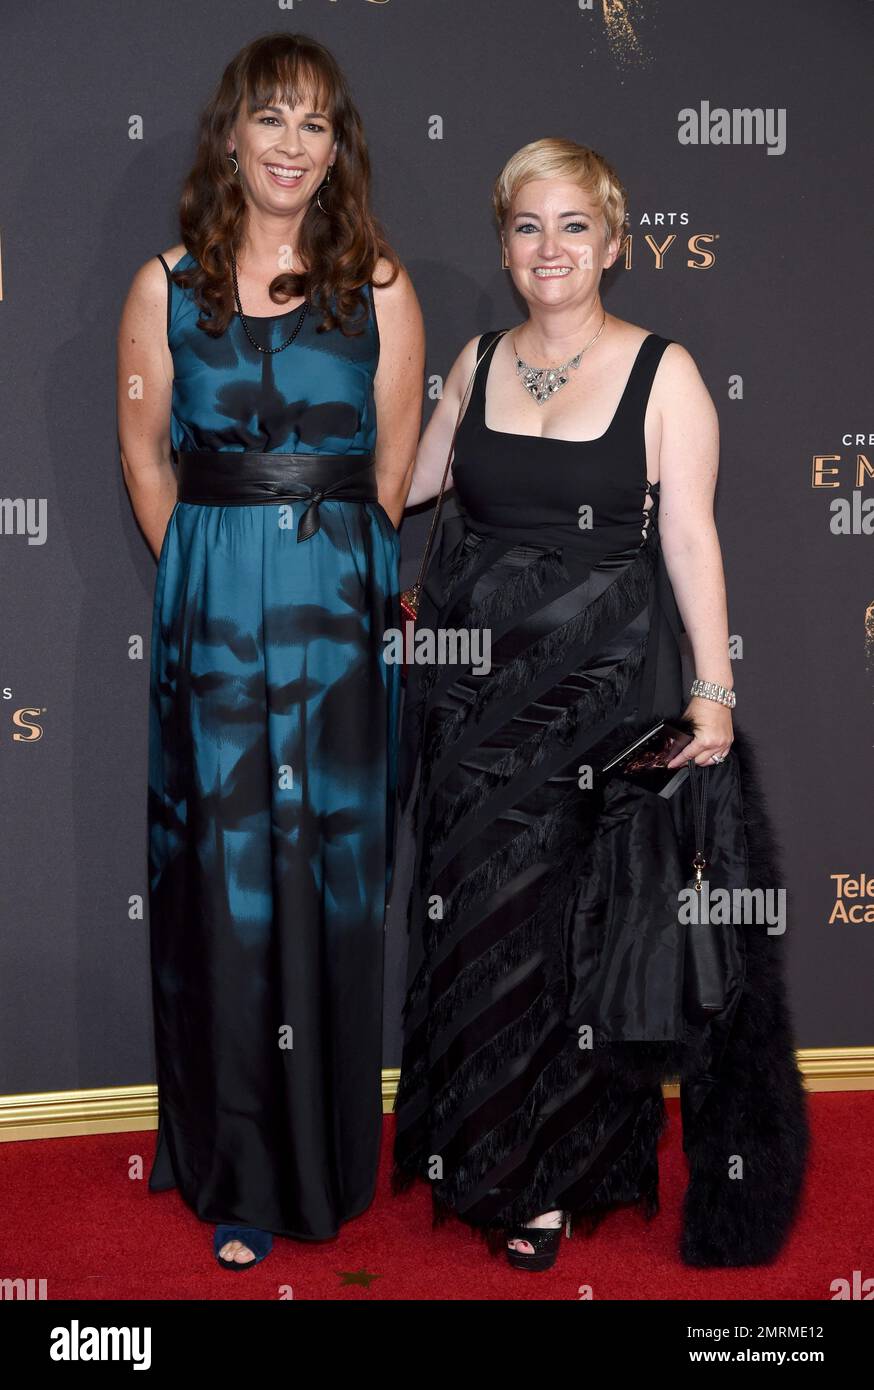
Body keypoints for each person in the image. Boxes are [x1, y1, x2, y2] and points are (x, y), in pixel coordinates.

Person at [391, 138, 808, 1271]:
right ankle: (473, 1149)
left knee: (570, 936)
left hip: (599, 702)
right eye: (528, 225)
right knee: (477, 919)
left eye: (575, 224)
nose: (550, 247)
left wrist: (713, 692)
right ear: (505, 244)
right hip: (472, 705)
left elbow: (687, 536)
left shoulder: (661, 372)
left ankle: (549, 1174)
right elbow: (413, 480)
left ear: (615, 244)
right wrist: (291, 453)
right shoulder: (477, 360)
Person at [117, 32, 424, 1269]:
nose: (294, 145)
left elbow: (394, 463)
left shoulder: (381, 286)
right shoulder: (167, 285)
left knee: (334, 889)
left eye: (316, 124)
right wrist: (207, 564)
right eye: (273, 120)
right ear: (231, 136)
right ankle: (237, 1165)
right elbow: (147, 457)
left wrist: (336, 565)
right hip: (211, 617)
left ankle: (328, 1155)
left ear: (334, 147)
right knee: (228, 892)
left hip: (340, 618)